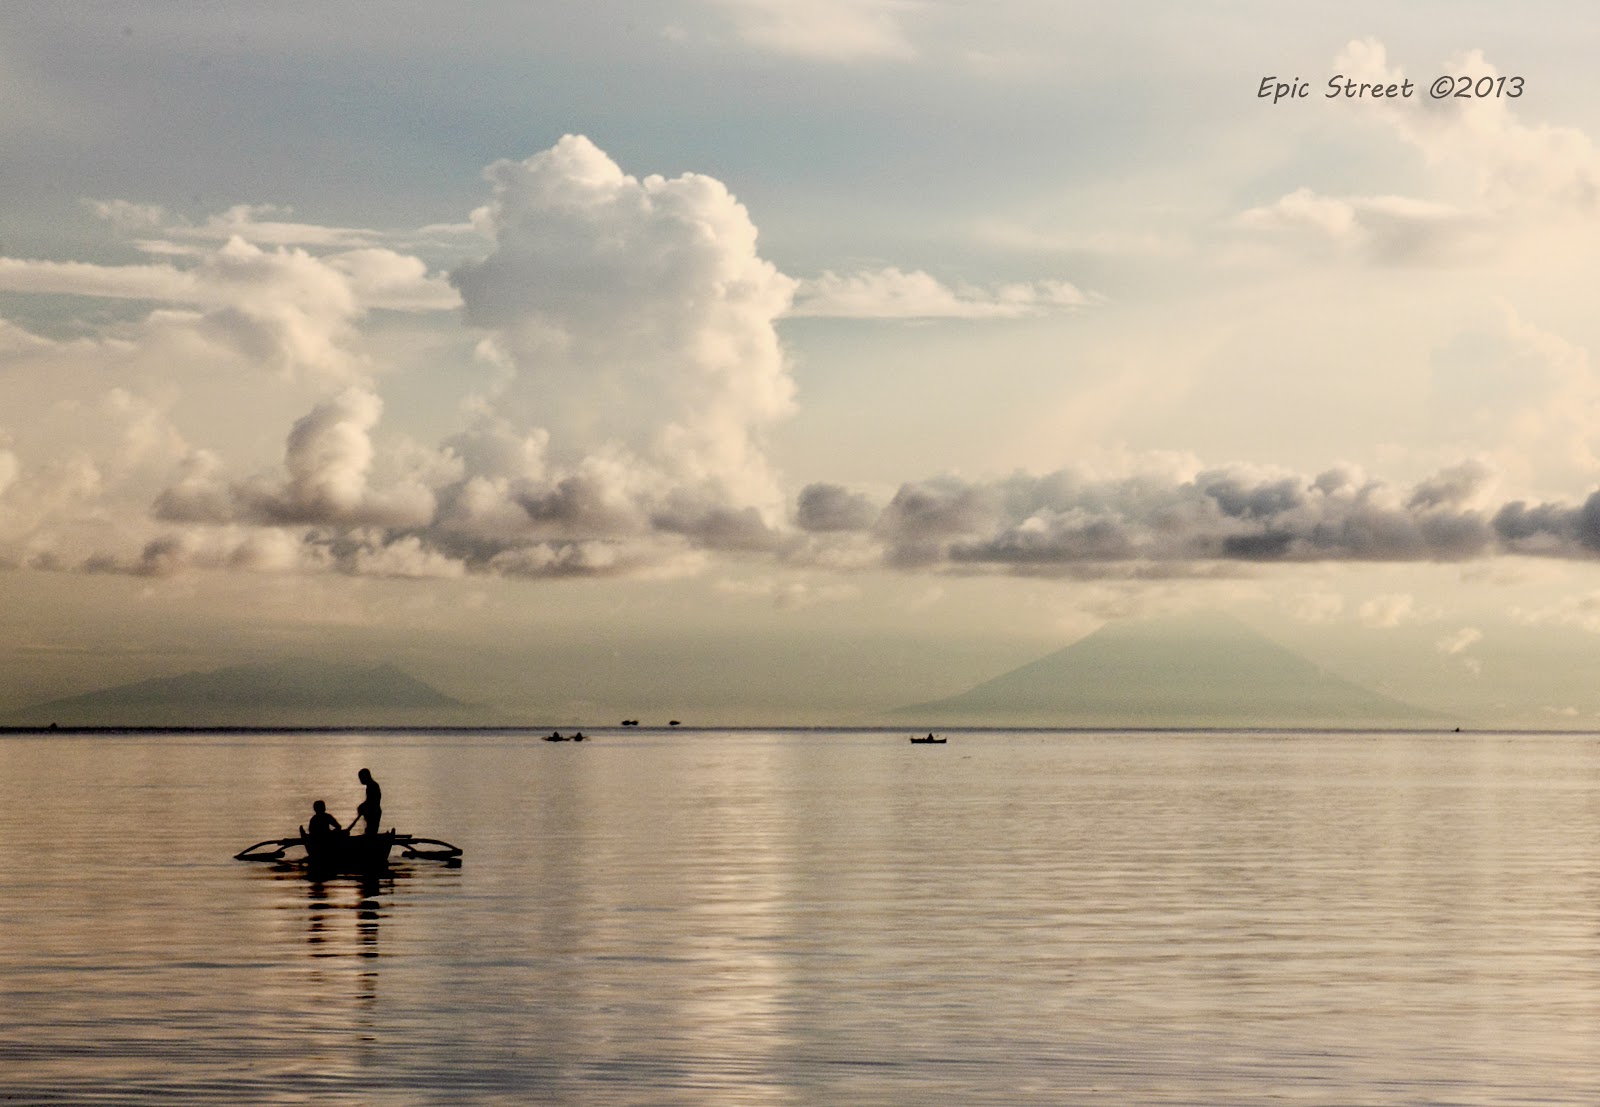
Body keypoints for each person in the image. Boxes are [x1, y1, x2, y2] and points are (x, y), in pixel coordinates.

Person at [353, 768, 382, 836]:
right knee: (370, 831)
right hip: (372, 811)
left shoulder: (373, 786)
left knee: (371, 832)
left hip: (374, 812)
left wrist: (363, 806)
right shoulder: (370, 786)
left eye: (361, 778)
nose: (360, 780)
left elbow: (373, 800)